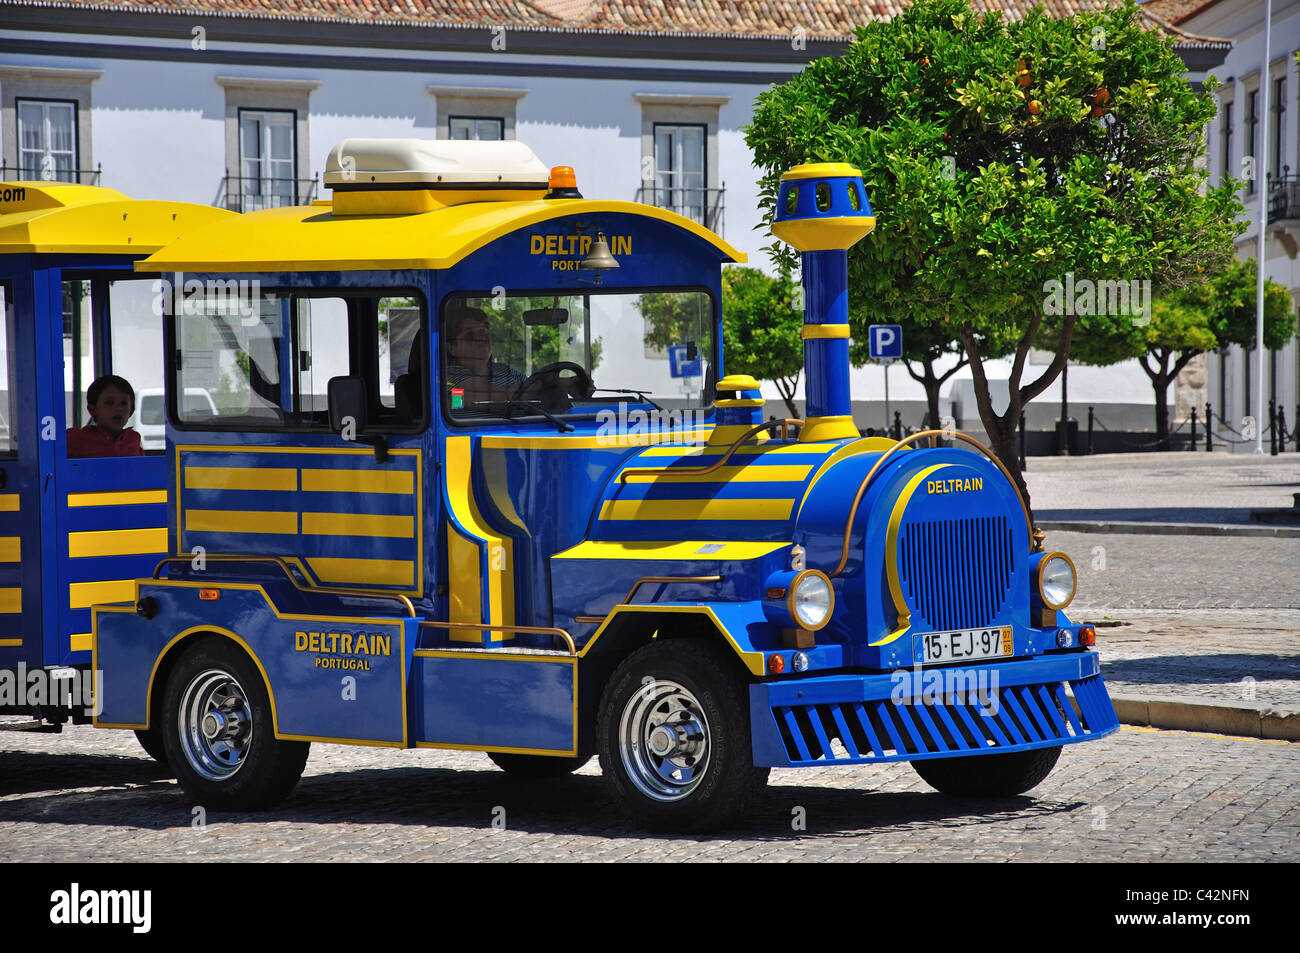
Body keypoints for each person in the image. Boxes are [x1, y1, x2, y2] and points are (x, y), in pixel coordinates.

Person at [445, 307, 526, 406]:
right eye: (470, 335)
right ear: (452, 348)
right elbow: (499, 399)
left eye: (485, 330)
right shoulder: (449, 377)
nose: (483, 337)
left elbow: (533, 389)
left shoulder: (506, 371)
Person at [66, 374, 144, 457]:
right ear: (93, 410)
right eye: (109, 403)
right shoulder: (75, 438)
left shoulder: (133, 439)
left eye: (124, 403)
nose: (119, 408)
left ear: (131, 411)